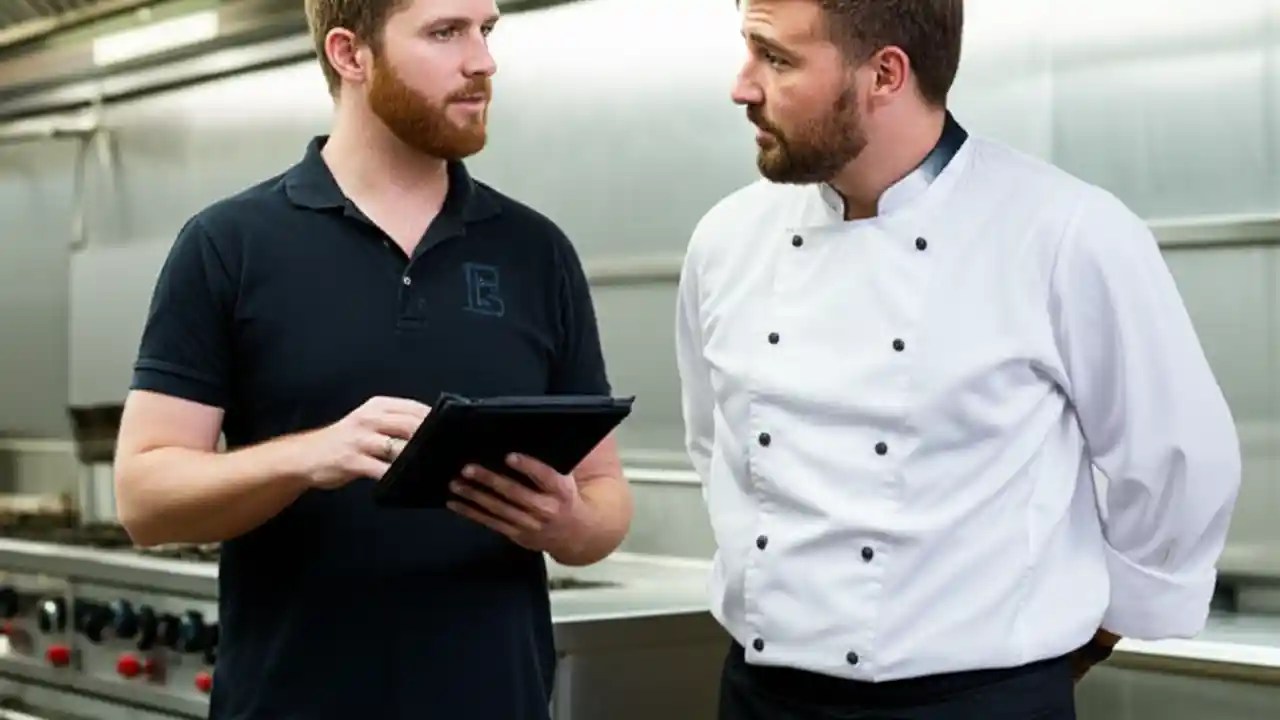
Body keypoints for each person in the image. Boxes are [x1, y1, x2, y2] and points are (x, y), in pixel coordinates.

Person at [674, 1, 1241, 718]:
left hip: (980, 699)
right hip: (764, 697)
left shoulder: (1066, 233)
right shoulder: (725, 241)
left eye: (776, 58)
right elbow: (715, 448)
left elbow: (1176, 463)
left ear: (885, 74)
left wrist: (1081, 636)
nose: (742, 85)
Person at [112, 0, 633, 718]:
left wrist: (567, 525)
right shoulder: (226, 246)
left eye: (487, 30)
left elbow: (606, 500)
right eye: (447, 32)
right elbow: (144, 499)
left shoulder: (536, 253)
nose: (483, 61)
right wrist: (309, 457)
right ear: (350, 55)